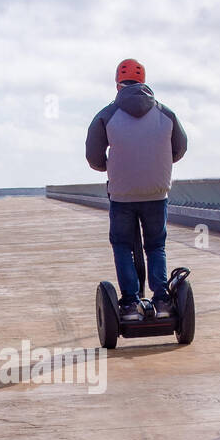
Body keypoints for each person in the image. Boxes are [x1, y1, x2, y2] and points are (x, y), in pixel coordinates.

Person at [86, 59, 188, 322]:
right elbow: (179, 148)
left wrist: (109, 167)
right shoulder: (166, 114)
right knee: (156, 246)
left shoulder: (106, 115)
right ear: (143, 82)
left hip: (121, 195)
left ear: (118, 85)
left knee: (122, 245)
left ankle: (130, 304)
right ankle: (162, 300)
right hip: (157, 192)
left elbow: (93, 157)